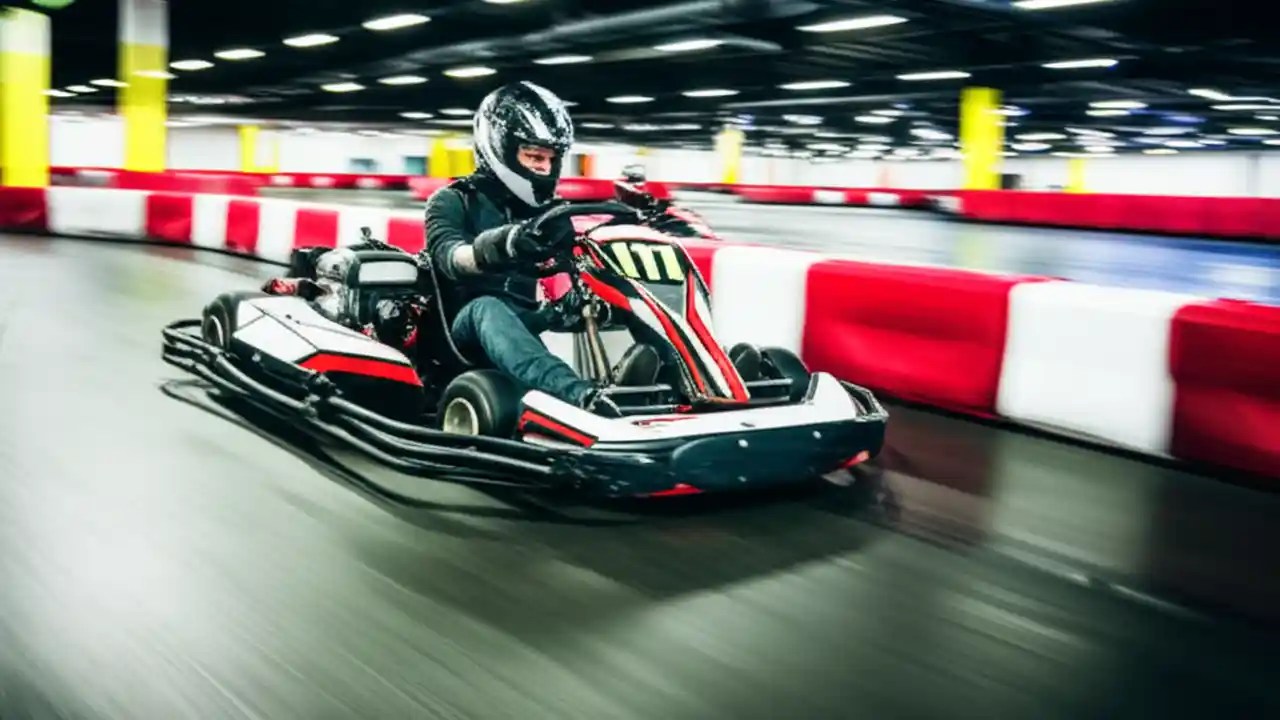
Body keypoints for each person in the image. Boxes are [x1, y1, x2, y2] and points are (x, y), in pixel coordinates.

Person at [422, 81, 623, 417]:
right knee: (488, 307)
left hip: (521, 324)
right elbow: (450, 257)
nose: (544, 167)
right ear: (500, 149)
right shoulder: (451, 200)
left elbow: (576, 264)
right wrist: (505, 243)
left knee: (601, 298)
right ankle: (582, 399)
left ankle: (677, 379)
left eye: (550, 158)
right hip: (460, 330)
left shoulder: (547, 212)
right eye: (533, 156)